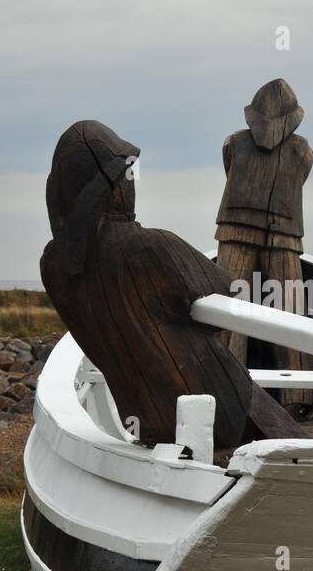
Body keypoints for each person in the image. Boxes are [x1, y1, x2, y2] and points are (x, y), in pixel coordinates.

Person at [41, 120, 299, 453]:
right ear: (112, 187)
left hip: (148, 422)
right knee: (288, 436)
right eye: (126, 176)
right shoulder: (148, 248)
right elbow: (226, 288)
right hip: (225, 410)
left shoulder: (54, 267)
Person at [215, 78, 313, 410]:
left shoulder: (234, 143)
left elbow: (229, 170)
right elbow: (301, 177)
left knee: (230, 314)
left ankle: (224, 391)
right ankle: (298, 397)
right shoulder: (302, 150)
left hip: (235, 230)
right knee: (289, 314)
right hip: (285, 234)